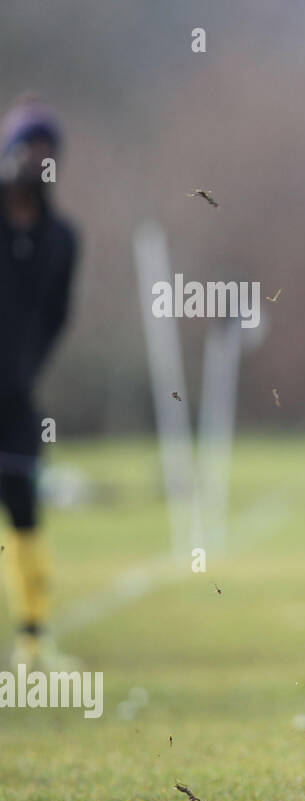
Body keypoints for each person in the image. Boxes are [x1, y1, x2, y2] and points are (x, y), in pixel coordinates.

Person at [0, 94, 78, 670]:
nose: (37, 159)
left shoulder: (61, 238)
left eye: (47, 150)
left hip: (17, 400)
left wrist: (23, 370)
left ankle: (33, 638)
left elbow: (56, 315)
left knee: (26, 513)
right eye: (28, 147)